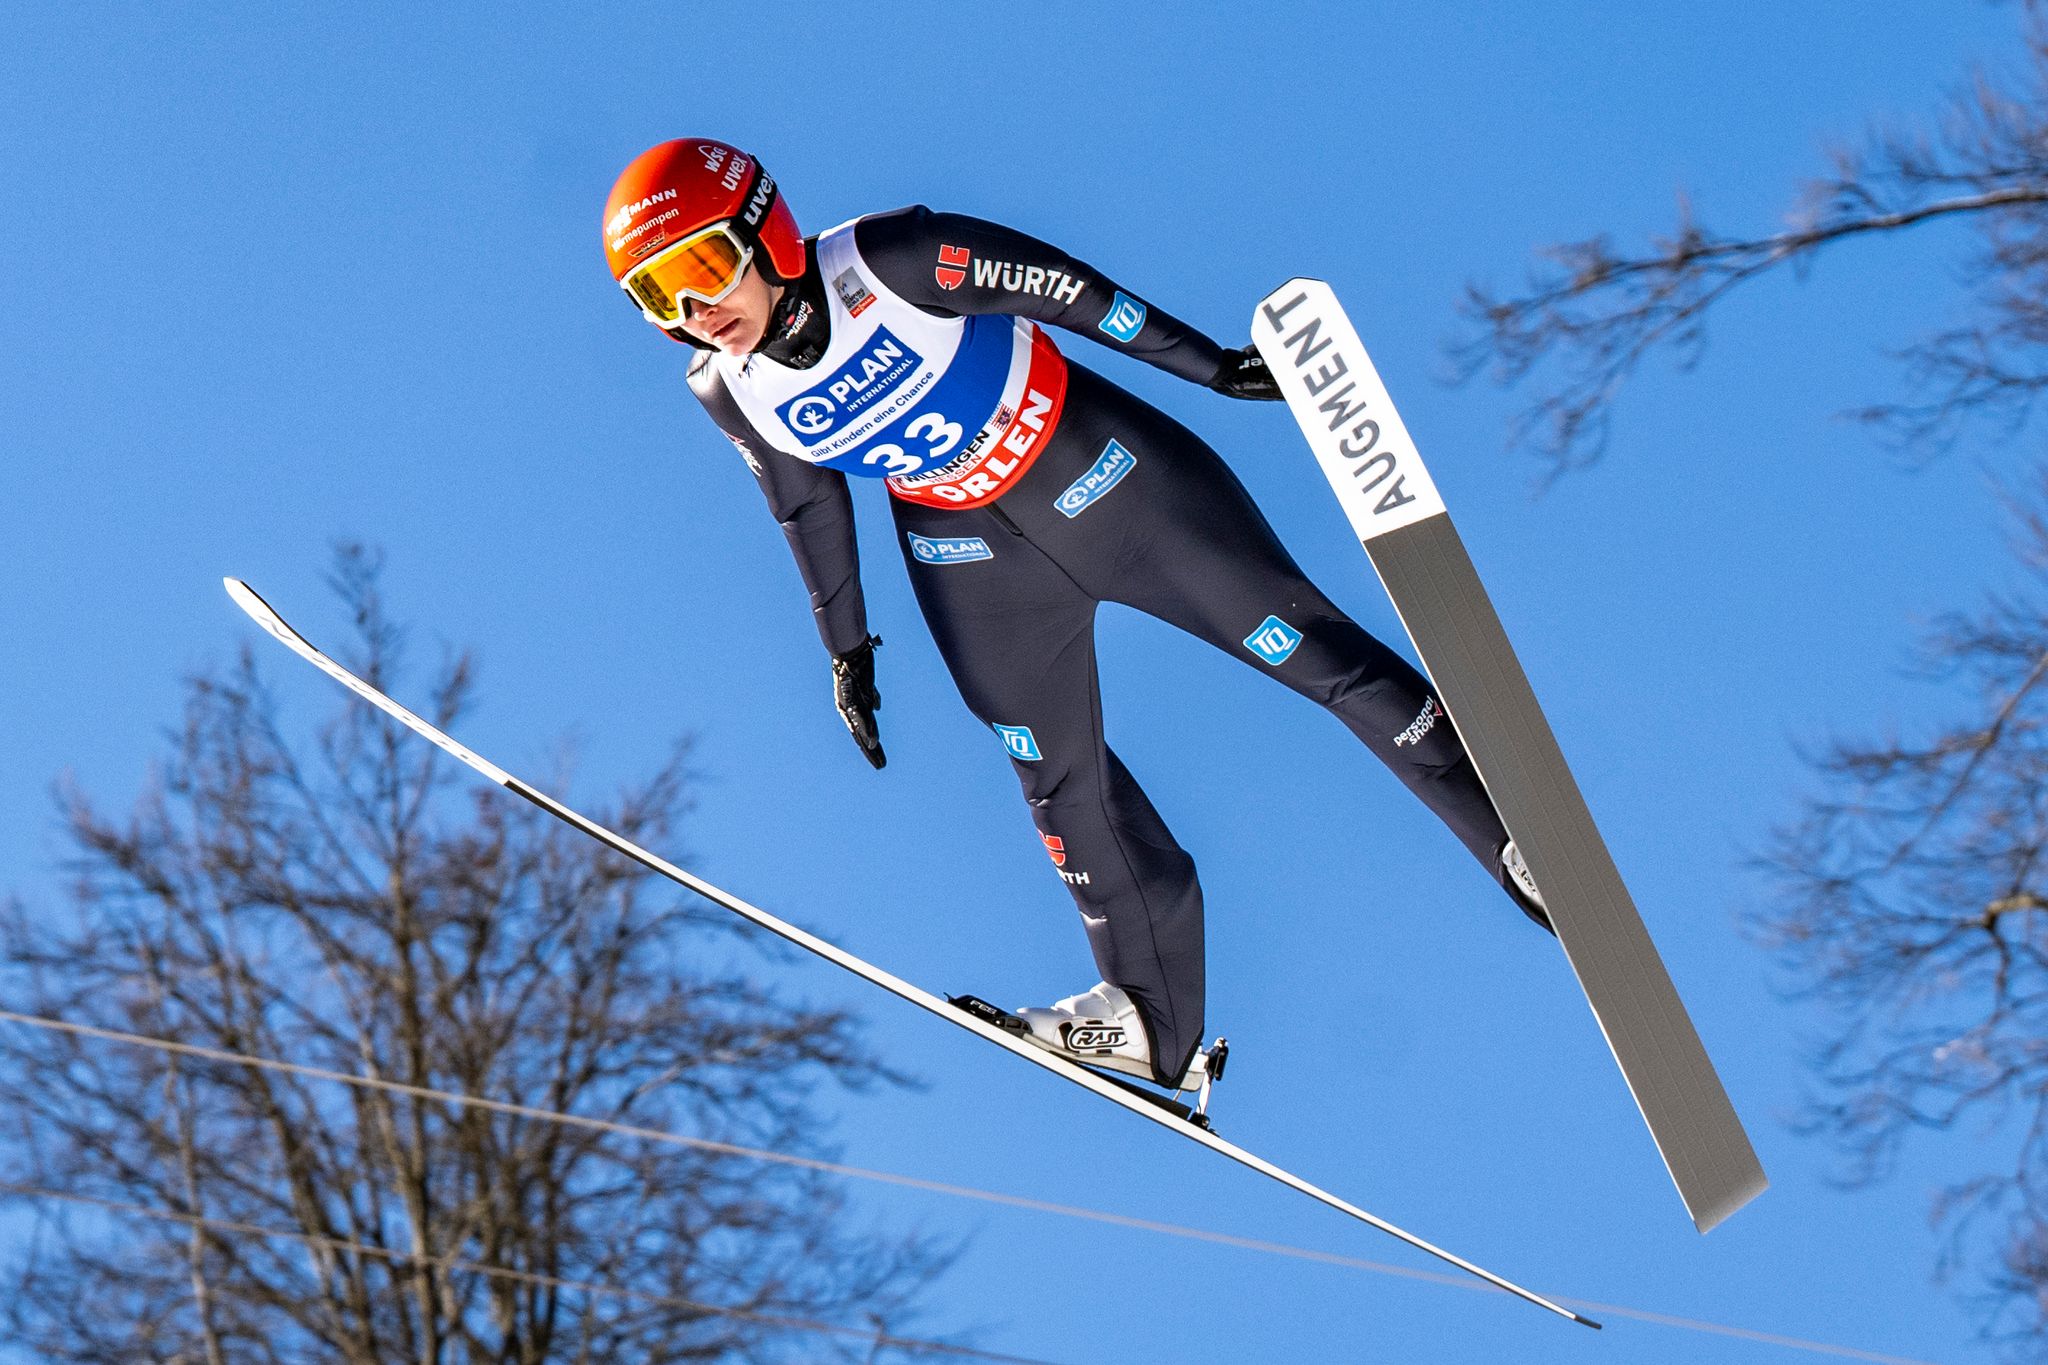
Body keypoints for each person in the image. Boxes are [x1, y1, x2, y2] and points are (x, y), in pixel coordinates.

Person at [603, 139, 1549, 1093]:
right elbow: (805, 507)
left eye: (700, 269)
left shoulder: (887, 261)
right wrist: (846, 651)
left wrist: (1211, 366)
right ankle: (1150, 1020)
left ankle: (1517, 839)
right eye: (656, 299)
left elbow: (1068, 291)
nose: (694, 313)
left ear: (763, 229)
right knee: (1060, 784)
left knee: (1312, 655)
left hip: (1104, 477)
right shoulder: (727, 387)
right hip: (971, 559)